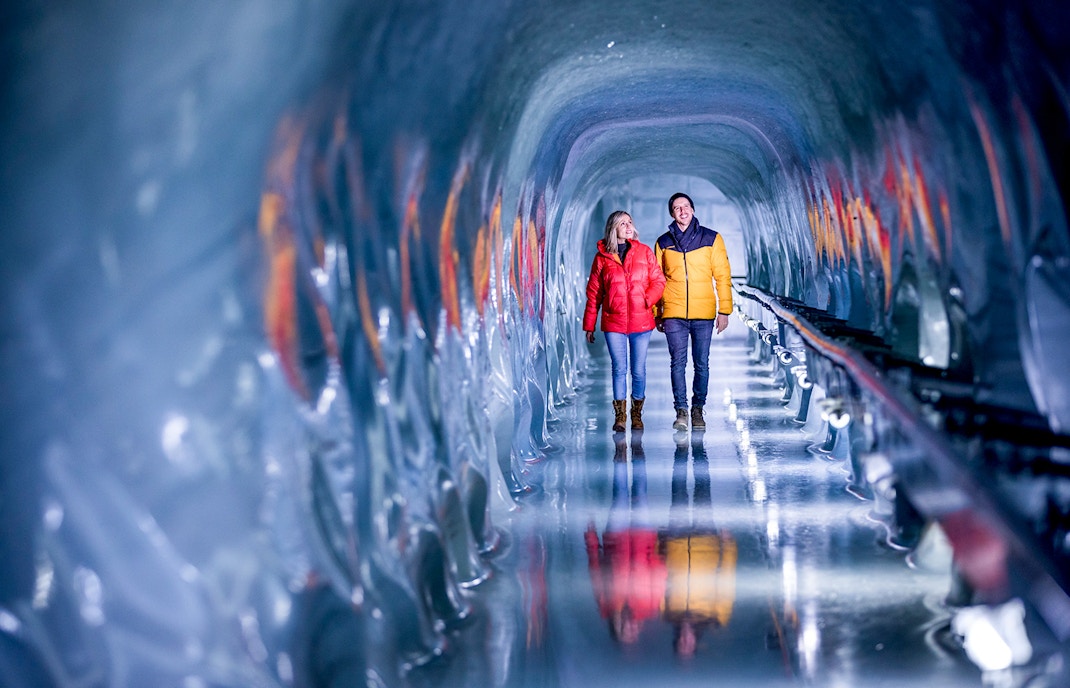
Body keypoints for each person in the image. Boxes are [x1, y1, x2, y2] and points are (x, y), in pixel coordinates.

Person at [655, 192, 733, 431]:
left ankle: (697, 408)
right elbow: (656, 279)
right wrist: (656, 311)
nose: (682, 211)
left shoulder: (712, 238)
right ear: (672, 213)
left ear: (693, 209)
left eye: (686, 206)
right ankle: (681, 411)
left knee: (702, 363)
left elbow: (722, 275)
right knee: (677, 363)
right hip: (674, 312)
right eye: (677, 208)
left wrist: (725, 310)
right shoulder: (663, 243)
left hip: (703, 312)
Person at [584, 210, 666, 432]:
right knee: (619, 368)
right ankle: (620, 416)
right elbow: (594, 293)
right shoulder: (602, 258)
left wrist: (646, 300)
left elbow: (659, 280)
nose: (629, 226)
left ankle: (636, 414)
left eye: (630, 222)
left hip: (641, 321)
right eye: (623, 223)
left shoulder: (644, 252)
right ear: (613, 229)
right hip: (614, 322)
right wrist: (589, 325)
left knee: (638, 369)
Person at [660, 435, 737, 658]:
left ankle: (684, 448)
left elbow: (659, 579)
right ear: (696, 642)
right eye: (688, 644)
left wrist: (659, 542)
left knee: (678, 489)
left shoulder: (667, 614)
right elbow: (727, 583)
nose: (685, 639)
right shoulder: (715, 615)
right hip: (707, 546)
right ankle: (699, 449)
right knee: (703, 490)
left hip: (675, 541)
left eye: (680, 643)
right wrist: (729, 547)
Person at [584, 433, 665, 644]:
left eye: (624, 630)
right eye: (632, 632)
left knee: (620, 494)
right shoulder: (650, 608)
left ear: (615, 627)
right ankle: (638, 453)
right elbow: (659, 573)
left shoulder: (606, 604)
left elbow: (596, 569)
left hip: (615, 538)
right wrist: (656, 550)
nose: (629, 626)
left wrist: (591, 538)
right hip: (643, 538)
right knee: (640, 493)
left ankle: (621, 454)